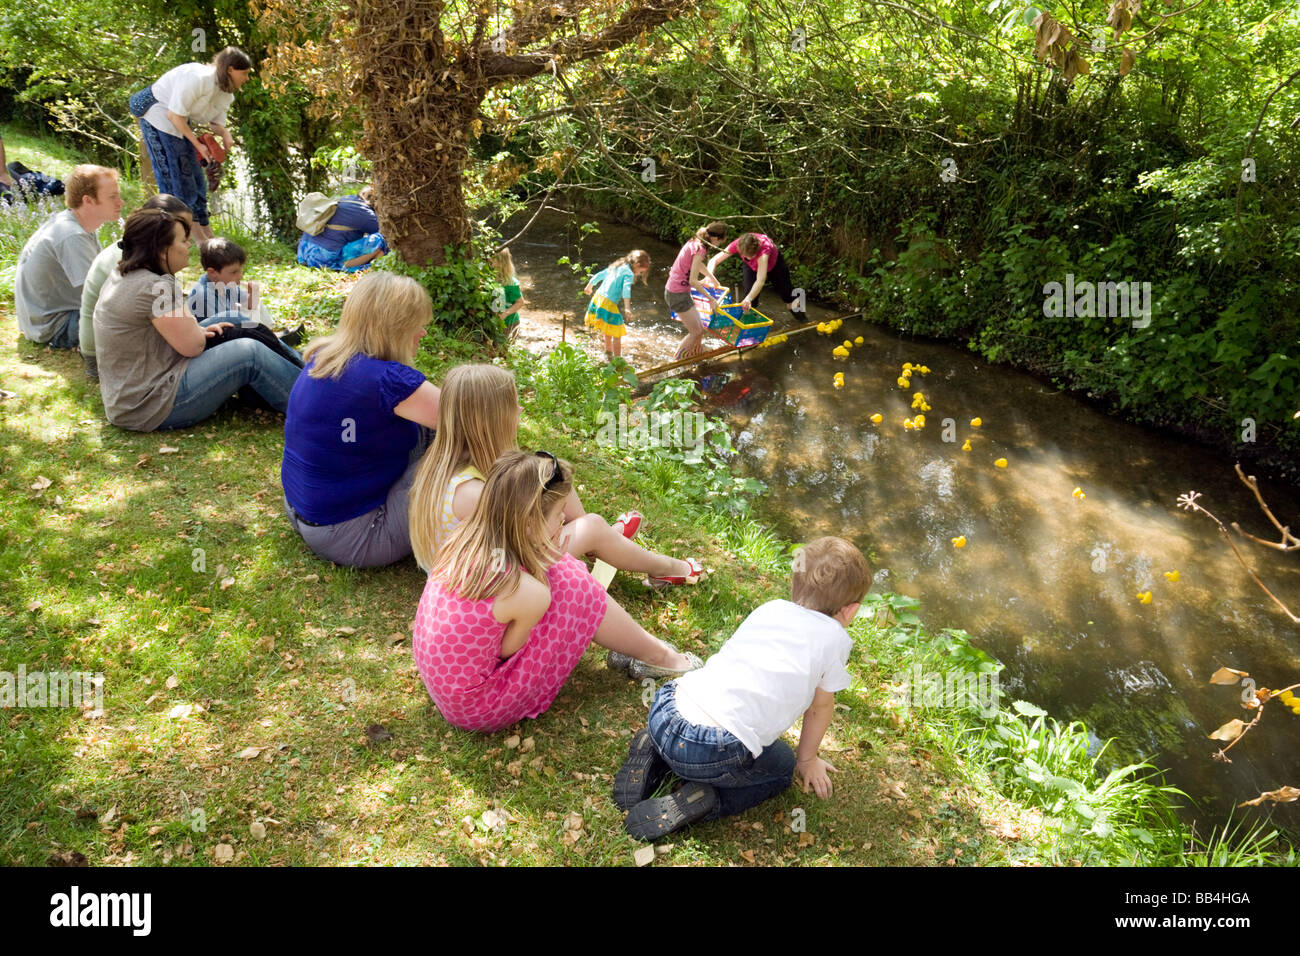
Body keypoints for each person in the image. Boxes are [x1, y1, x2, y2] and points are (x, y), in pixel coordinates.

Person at [412, 451, 702, 733]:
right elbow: (507, 652)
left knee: (562, 570)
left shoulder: (465, 537)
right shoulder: (527, 592)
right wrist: (549, 575)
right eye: (559, 516)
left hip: (444, 681)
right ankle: (661, 658)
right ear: (528, 523)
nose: (564, 519)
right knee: (574, 583)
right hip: (477, 706)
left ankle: (640, 648)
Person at [615, 535, 872, 841]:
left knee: (703, 739)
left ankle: (653, 753)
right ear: (850, 611)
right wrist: (806, 760)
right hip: (711, 747)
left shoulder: (772, 608)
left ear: (794, 584)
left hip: (668, 707)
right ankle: (705, 801)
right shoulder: (835, 638)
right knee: (780, 768)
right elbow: (820, 706)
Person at [407, 363, 705, 609]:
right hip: (490, 589)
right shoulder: (473, 494)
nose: (521, 410)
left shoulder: (442, 466)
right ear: (492, 421)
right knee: (592, 527)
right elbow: (523, 550)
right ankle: (664, 568)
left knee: (553, 471)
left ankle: (604, 543)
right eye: (513, 405)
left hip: (486, 569)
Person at [281, 272, 442, 568]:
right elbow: (474, 419)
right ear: (396, 328)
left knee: (434, 431)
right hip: (355, 536)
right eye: (418, 324)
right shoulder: (389, 381)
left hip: (303, 511)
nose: (423, 333)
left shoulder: (324, 355)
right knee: (458, 451)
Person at [93, 208, 300, 431]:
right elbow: (193, 347)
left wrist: (201, 331)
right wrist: (199, 334)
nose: (189, 246)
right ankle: (315, 403)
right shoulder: (154, 286)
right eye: (183, 241)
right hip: (149, 404)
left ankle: (303, 373)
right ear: (162, 250)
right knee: (248, 353)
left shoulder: (130, 275)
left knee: (234, 318)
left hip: (144, 387)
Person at [129, 47, 252, 243]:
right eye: (244, 73)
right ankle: (190, 236)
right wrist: (198, 145)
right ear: (230, 70)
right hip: (156, 111)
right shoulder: (198, 77)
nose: (246, 78)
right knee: (176, 175)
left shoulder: (226, 94)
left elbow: (216, 124)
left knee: (196, 177)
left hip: (178, 120)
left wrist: (226, 134)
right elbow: (173, 115)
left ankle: (205, 230)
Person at [78, 193, 191, 380]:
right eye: (182, 232)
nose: (188, 240)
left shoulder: (138, 253)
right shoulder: (129, 264)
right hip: (107, 360)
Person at [14, 165, 123, 350]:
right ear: (88, 200)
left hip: (42, 321)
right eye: (112, 197)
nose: (121, 202)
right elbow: (102, 293)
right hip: (55, 326)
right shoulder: (72, 235)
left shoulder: (76, 224)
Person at [666, 222, 729, 361]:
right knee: (696, 332)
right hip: (678, 294)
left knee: (701, 330)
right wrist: (710, 299)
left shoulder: (695, 241)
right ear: (716, 238)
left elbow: (697, 264)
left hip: (675, 290)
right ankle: (675, 362)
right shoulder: (701, 249)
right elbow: (693, 281)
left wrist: (712, 279)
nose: (717, 246)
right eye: (720, 242)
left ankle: (694, 355)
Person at [707, 232, 804, 318]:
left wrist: (749, 298)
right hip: (751, 267)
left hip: (775, 266)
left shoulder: (764, 251)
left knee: (788, 295)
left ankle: (802, 319)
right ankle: (748, 327)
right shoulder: (739, 244)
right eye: (744, 256)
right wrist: (709, 276)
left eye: (750, 256)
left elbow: (760, 280)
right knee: (749, 297)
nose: (746, 258)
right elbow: (714, 260)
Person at [296, 186, 388, 272]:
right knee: (382, 239)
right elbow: (385, 233)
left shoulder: (345, 199)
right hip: (322, 259)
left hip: (302, 253)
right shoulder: (365, 212)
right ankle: (373, 268)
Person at [583, 250, 649, 360]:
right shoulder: (628, 273)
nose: (639, 274)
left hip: (598, 298)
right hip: (608, 304)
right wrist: (627, 308)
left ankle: (608, 352)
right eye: (641, 272)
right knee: (617, 334)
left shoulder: (618, 266)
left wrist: (590, 285)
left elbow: (601, 274)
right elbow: (626, 291)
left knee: (608, 327)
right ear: (637, 265)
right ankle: (618, 361)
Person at [490, 247, 524, 341]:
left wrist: (505, 314)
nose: (490, 263)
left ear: (501, 263)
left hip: (509, 323)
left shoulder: (511, 284)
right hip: (494, 321)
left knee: (505, 348)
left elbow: (520, 302)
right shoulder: (490, 279)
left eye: (492, 261)